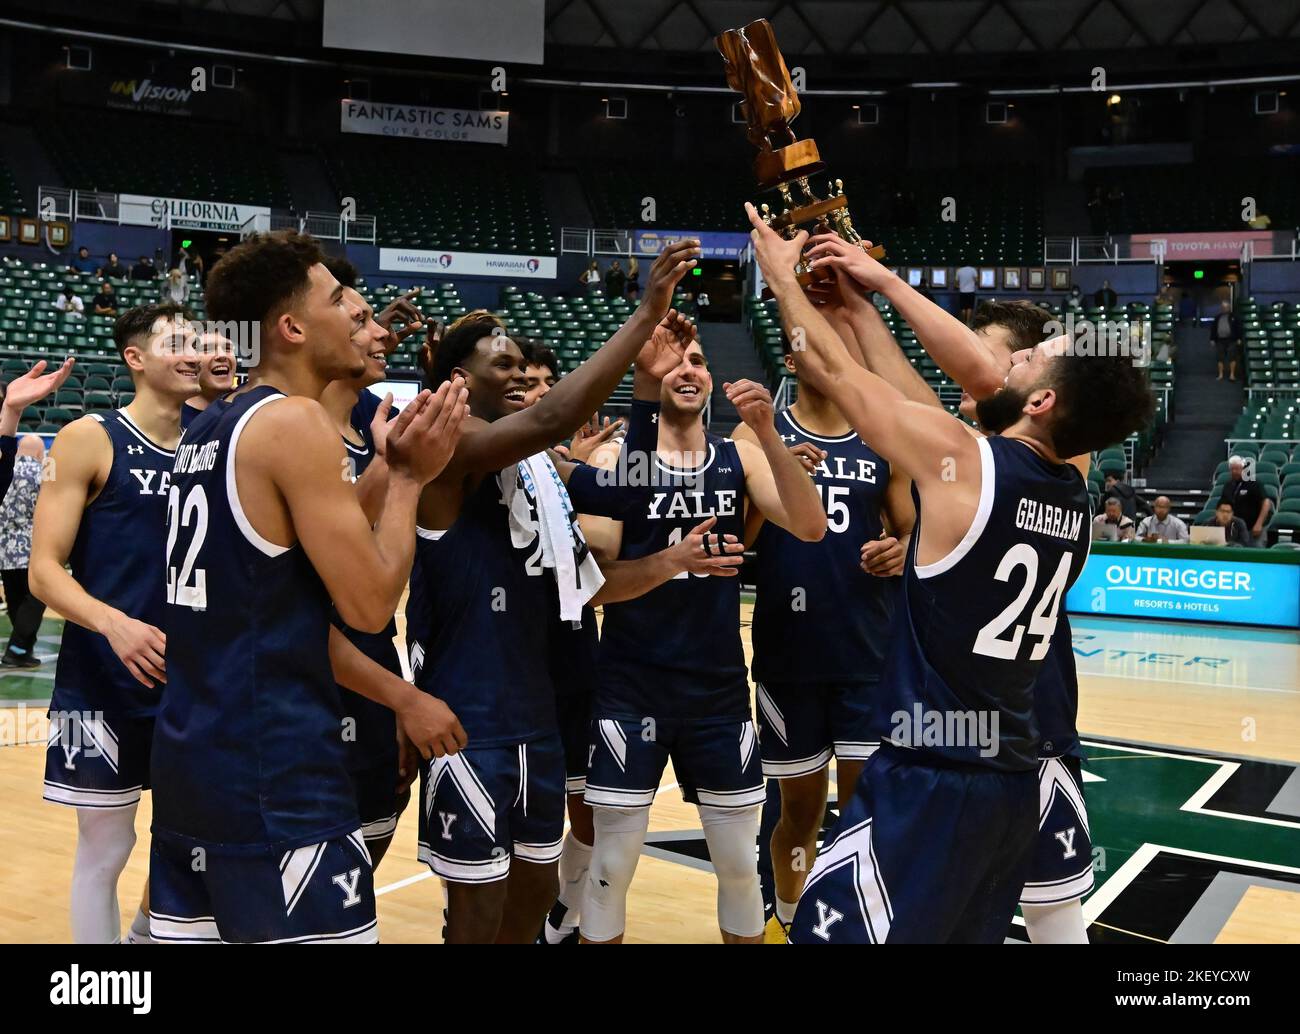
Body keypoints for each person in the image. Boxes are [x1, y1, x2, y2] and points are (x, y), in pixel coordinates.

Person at [748, 203, 1154, 943]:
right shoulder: (1072, 484)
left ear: (1040, 399)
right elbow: (942, 391)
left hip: (929, 775)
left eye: (1027, 360)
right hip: (1009, 782)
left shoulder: (964, 463)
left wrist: (784, 281)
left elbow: (837, 373)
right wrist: (870, 297)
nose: (1004, 364)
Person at [147, 230, 469, 945]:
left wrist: (384, 470)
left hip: (192, 769)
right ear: (292, 327)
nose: (361, 320)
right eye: (342, 307)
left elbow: (275, 605)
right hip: (275, 776)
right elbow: (370, 604)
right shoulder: (294, 423)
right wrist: (412, 479)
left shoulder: (211, 429)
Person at [409, 239, 703, 944]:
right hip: (468, 715)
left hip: (537, 710)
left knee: (536, 891)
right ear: (457, 376)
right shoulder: (446, 446)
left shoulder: (538, 470)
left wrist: (670, 562)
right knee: (476, 913)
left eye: (525, 366)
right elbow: (549, 418)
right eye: (502, 365)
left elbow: (582, 583)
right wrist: (642, 320)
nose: (522, 375)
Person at [804, 267, 1097, 944]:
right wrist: (858, 314)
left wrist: (876, 292)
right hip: (1002, 740)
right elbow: (910, 408)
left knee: (1049, 917)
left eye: (992, 352)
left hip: (1011, 734)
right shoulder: (993, 462)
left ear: (1036, 386)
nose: (959, 360)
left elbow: (940, 396)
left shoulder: (1037, 449)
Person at [575, 313, 827, 947]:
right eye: (675, 360)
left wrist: (768, 431)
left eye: (698, 360)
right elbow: (593, 584)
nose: (688, 370)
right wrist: (669, 563)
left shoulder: (738, 457)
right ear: (649, 374)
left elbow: (810, 525)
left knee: (742, 870)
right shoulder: (613, 458)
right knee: (609, 869)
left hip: (717, 692)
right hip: (630, 690)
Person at [745, 288, 914, 942]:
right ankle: (788, 919)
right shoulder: (759, 432)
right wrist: (781, 479)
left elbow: (913, 528)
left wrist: (903, 549)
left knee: (863, 809)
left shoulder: (884, 440)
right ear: (790, 359)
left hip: (868, 650)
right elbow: (741, 536)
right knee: (799, 811)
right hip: (789, 655)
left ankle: (848, 927)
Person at [29, 303, 199, 944]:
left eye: (196, 341)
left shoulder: (218, 441)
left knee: (189, 843)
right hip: (97, 684)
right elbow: (44, 571)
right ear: (135, 359)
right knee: (106, 850)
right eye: (175, 342)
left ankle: (139, 942)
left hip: (193, 685)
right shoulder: (88, 437)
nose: (192, 353)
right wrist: (116, 625)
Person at [1, 435, 47, 668]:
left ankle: (23, 650)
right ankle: (17, 648)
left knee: (17, 601)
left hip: (4, 550)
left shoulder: (5, 468)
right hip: (32, 547)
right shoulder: (43, 473)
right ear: (40, 453)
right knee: (37, 599)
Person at [0, 359, 76, 502]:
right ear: (40, 453)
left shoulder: (11, 465)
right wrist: (12, 411)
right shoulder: (46, 471)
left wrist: (12, 411)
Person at [181, 332, 237, 428]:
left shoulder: (250, 410)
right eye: (207, 349)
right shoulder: (172, 417)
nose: (222, 355)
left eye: (227, 348)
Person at [1218, 455, 1270, 546]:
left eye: (1237, 469)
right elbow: (1222, 504)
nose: (1235, 472)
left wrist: (1259, 523)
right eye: (1232, 469)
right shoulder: (1228, 485)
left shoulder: (1253, 483)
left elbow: (1266, 503)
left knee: (1254, 554)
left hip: (1253, 528)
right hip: (1235, 529)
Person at [1209, 300, 1242, 382]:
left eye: (1226, 307)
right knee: (1220, 357)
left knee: (1232, 356)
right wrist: (1212, 339)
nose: (1225, 309)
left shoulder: (1234, 317)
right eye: (1223, 307)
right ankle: (1220, 374)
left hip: (1232, 340)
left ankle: (1232, 374)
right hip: (1220, 340)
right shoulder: (1218, 317)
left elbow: (1238, 328)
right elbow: (1213, 329)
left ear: (1229, 308)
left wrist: (1239, 338)